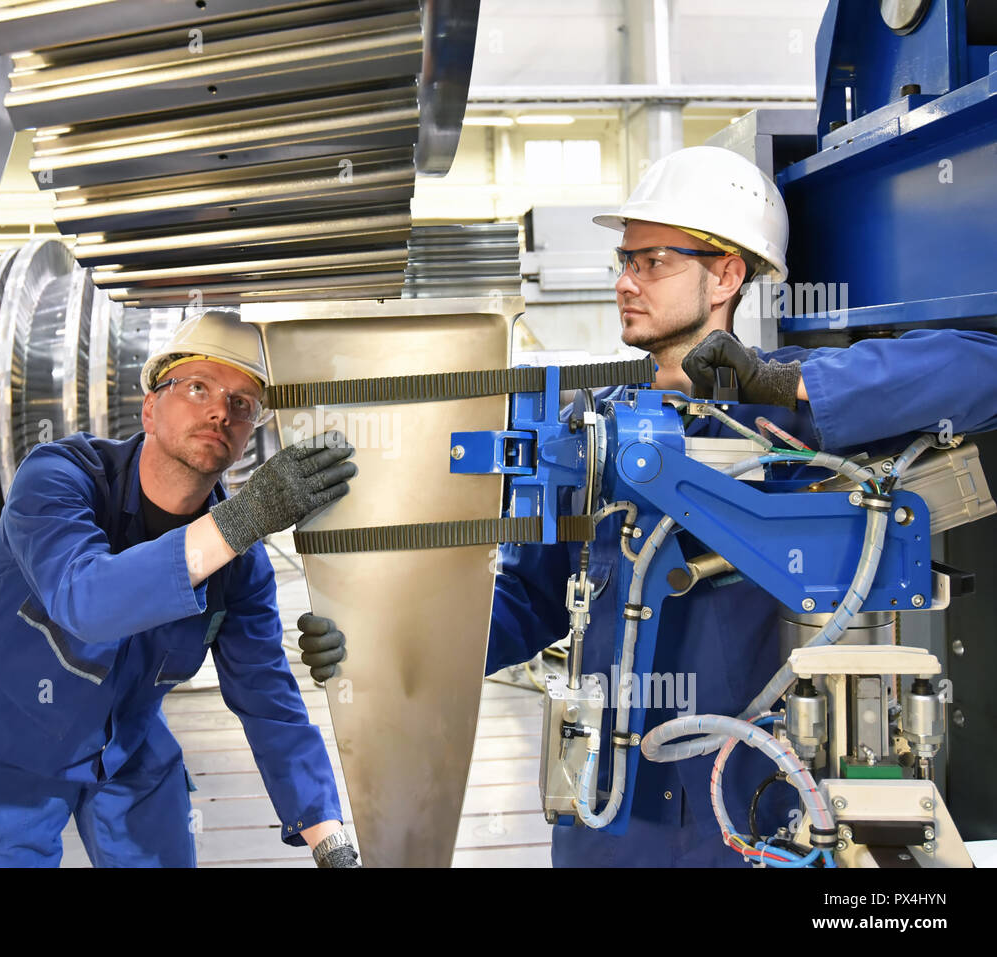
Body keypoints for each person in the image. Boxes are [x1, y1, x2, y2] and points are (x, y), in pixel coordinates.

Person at [298, 145, 997, 866]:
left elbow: (983, 369)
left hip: (746, 818)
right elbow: (528, 604)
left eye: (652, 262)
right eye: (624, 262)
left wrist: (786, 386)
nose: (626, 282)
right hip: (609, 814)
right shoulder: (591, 430)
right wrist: (387, 644)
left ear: (727, 273)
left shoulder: (795, 420)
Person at [0, 309, 362, 868]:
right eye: (197, 387)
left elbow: (268, 700)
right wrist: (244, 518)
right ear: (149, 407)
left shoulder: (239, 564)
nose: (220, 411)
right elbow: (84, 601)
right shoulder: (59, 477)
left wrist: (330, 841)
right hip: (6, 741)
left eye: (242, 404)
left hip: (125, 744)